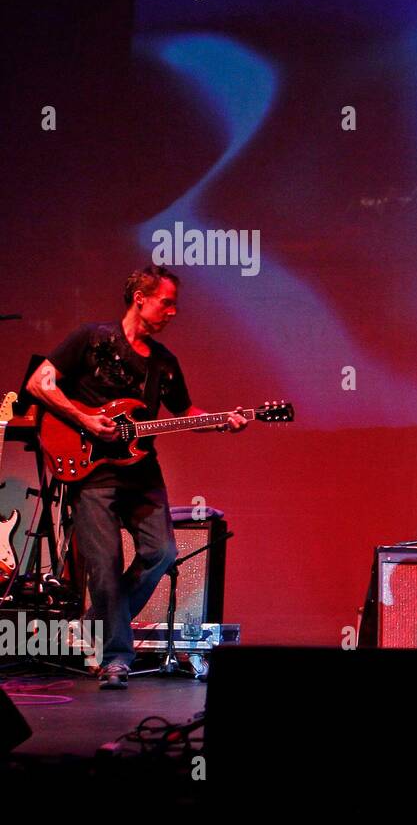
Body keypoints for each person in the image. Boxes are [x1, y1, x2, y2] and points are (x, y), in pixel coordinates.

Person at [25, 267, 249, 689]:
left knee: (162, 552)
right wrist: (86, 422)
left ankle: (98, 624)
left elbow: (183, 414)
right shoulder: (92, 339)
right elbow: (40, 383)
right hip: (92, 474)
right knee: (103, 566)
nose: (173, 311)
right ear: (140, 299)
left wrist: (223, 421)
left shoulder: (163, 364)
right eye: (166, 301)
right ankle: (116, 658)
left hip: (141, 472)